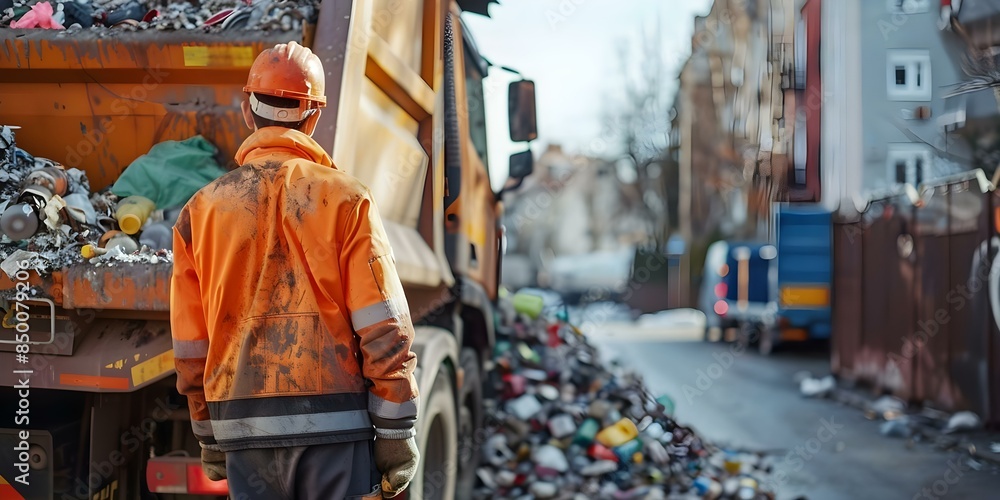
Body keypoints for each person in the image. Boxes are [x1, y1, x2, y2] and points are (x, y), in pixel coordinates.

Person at [170, 41, 420, 500]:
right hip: (335, 431)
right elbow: (385, 330)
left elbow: (191, 346)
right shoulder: (348, 199)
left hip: (243, 434)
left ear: (248, 110)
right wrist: (394, 431)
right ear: (314, 116)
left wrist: (207, 432)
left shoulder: (199, 212)